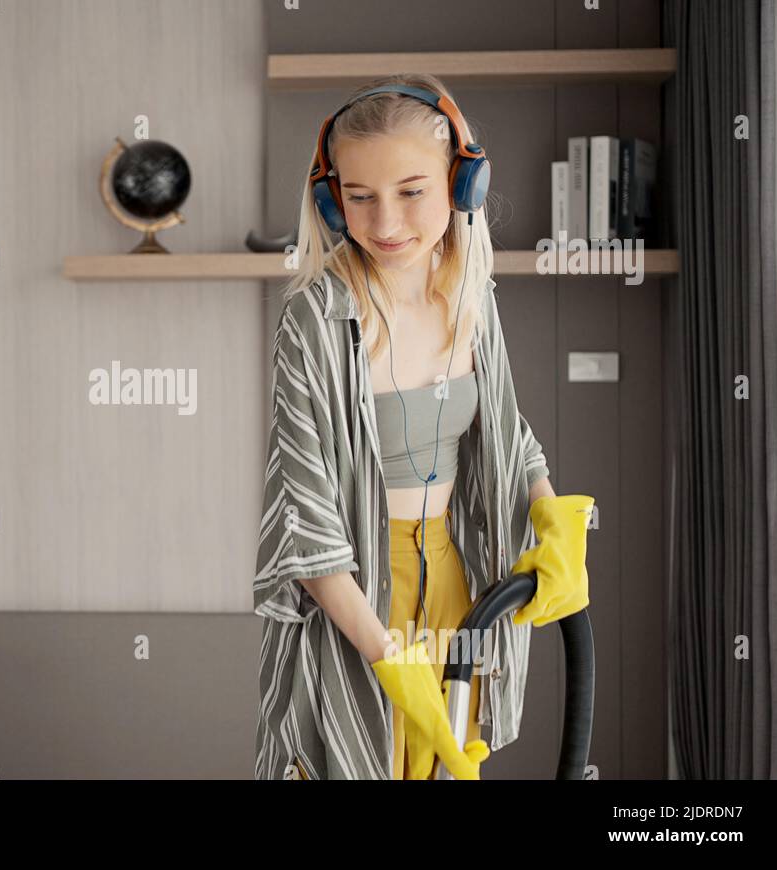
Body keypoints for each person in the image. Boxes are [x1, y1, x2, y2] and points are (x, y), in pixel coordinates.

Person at [253, 73, 595, 780]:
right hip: (354, 600)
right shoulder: (316, 320)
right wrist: (385, 656)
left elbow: (505, 428)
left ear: (459, 186)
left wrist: (554, 519)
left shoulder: (470, 294)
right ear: (330, 198)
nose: (385, 223)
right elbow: (307, 522)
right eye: (359, 197)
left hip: (457, 580)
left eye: (411, 192)